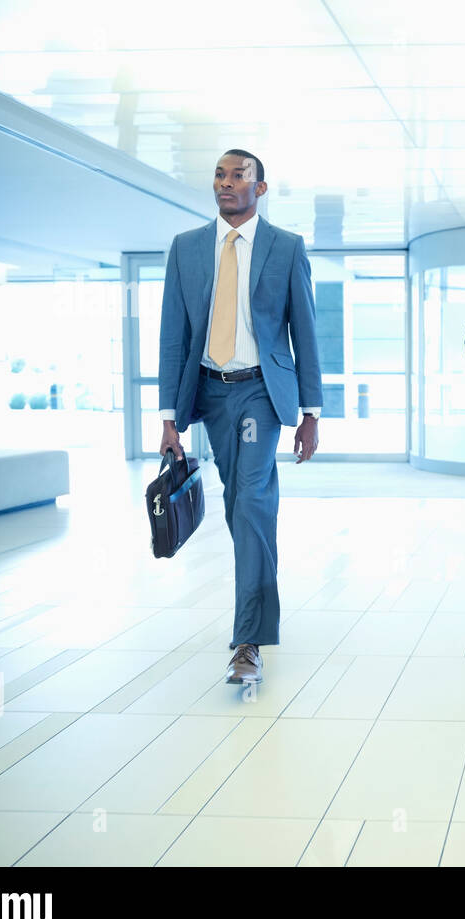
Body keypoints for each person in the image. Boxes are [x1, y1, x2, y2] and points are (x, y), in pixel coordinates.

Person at [158, 149, 322, 685]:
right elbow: (173, 336)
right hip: (208, 392)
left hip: (259, 392)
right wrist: (169, 420)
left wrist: (311, 412)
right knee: (241, 505)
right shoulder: (186, 250)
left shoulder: (286, 247)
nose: (226, 184)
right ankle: (257, 604)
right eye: (220, 176)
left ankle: (247, 640)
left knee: (251, 497)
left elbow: (306, 331)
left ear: (262, 188)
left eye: (238, 176)